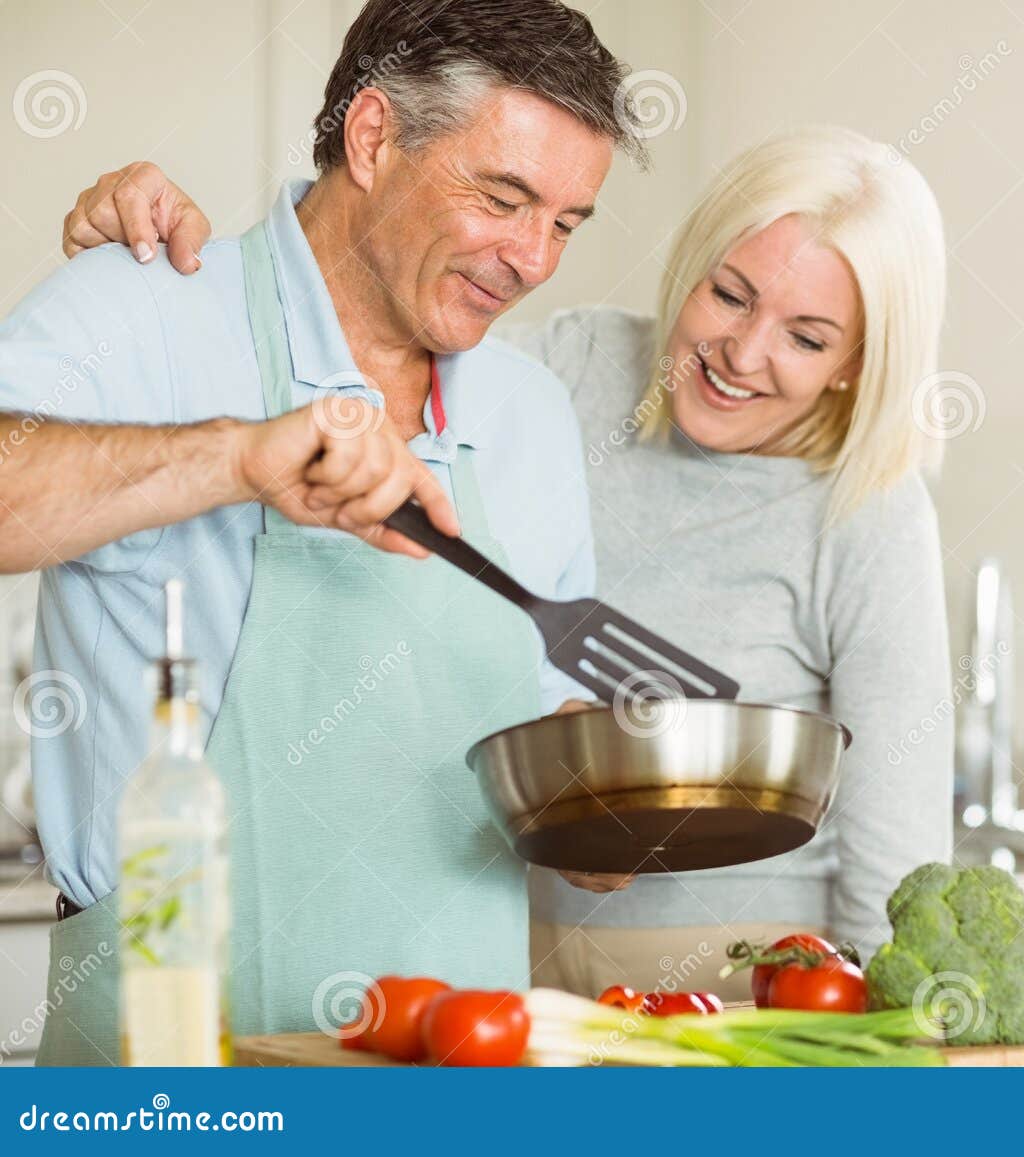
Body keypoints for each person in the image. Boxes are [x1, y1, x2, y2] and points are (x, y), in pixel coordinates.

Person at [73, 126, 957, 1001]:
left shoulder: (868, 510)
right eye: (729, 294)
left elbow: (898, 838)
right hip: (509, 958)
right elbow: (355, 352)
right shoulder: (573, 368)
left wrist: (888, 1044)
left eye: (806, 338)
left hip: (744, 990)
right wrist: (187, 284)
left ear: (854, 364)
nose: (743, 353)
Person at [0, 0, 639, 1064]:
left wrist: (602, 818)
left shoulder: (530, 415)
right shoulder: (145, 307)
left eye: (567, 222)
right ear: (375, 136)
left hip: (458, 1072)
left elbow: (533, 740)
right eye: (503, 197)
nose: (533, 257)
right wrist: (236, 458)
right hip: (166, 1067)